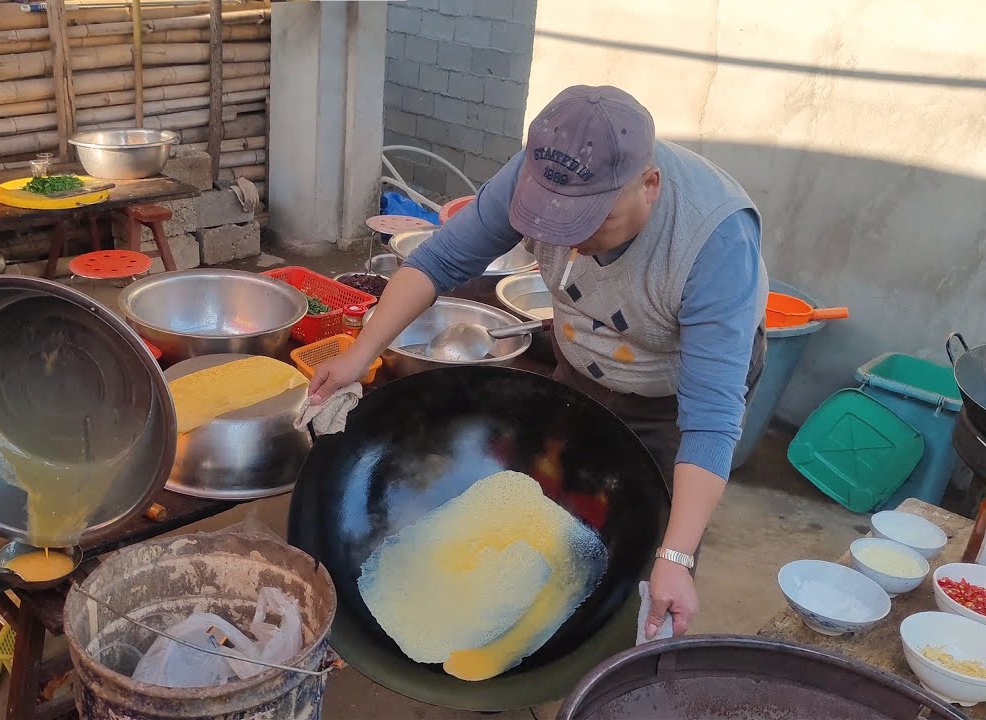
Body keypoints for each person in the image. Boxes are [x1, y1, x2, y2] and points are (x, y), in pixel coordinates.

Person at [310, 85, 767, 640]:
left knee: (647, 549)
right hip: (585, 365)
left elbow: (710, 421)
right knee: (558, 502)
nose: (567, 246)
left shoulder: (713, 242)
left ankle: (617, 656)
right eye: (549, 222)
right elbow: (440, 260)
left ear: (649, 186)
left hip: (674, 399)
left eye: (589, 225)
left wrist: (678, 555)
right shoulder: (546, 167)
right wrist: (361, 353)